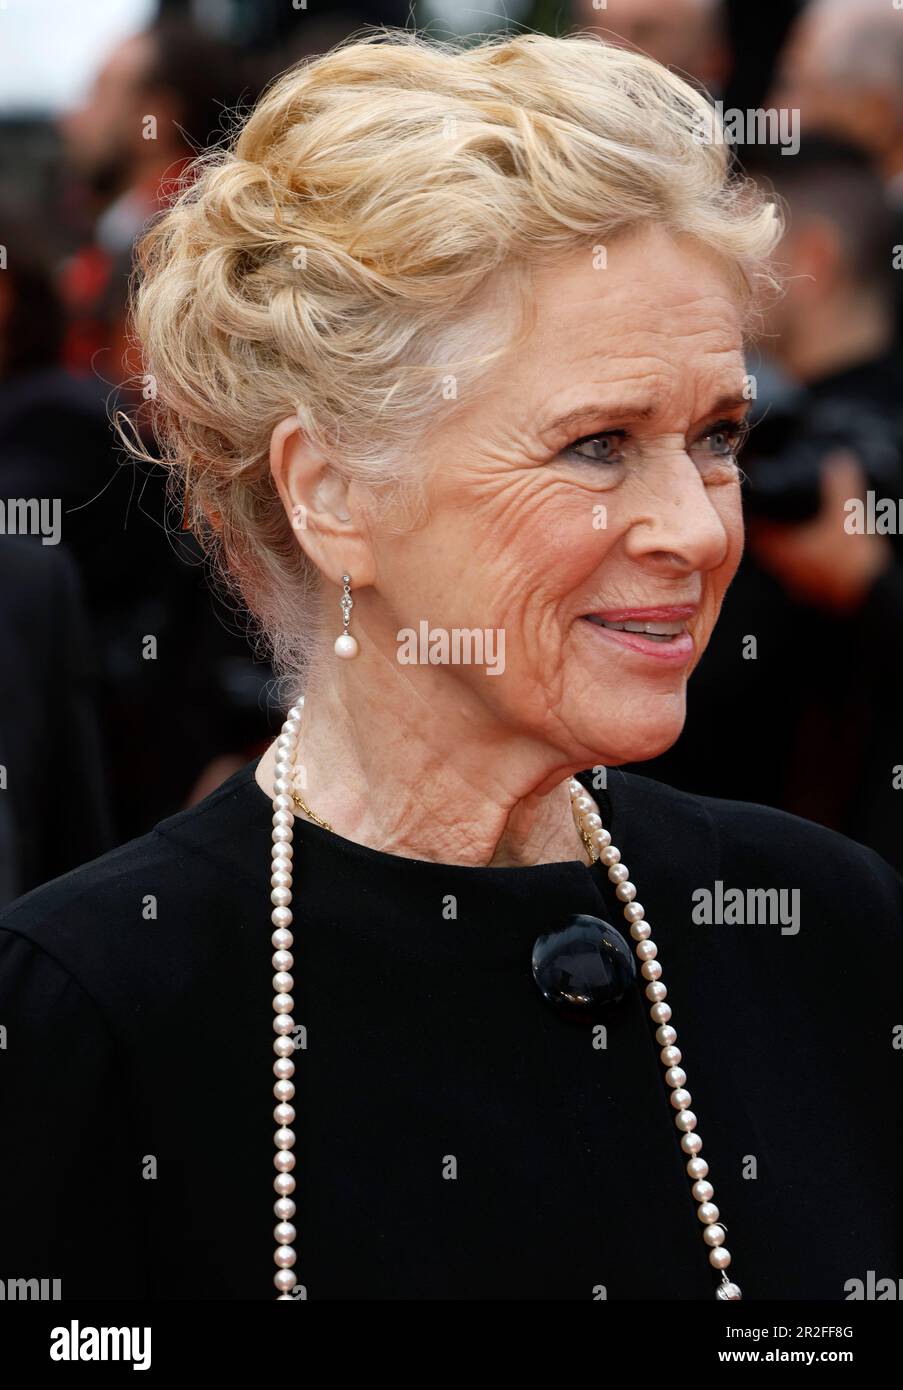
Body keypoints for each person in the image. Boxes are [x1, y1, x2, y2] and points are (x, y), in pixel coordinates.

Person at [0, 28, 899, 1302]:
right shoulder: (92, 1009)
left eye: (717, 434)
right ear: (336, 495)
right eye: (596, 444)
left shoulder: (830, 927)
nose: (701, 528)